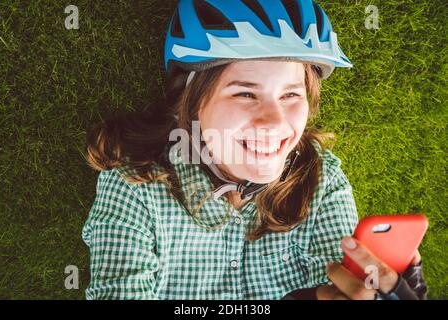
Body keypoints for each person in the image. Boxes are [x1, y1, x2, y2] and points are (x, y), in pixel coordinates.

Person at [82, 0, 427, 300]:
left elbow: (339, 285)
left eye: (291, 94)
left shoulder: (321, 177)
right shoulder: (134, 184)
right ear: (188, 101)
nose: (275, 123)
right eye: (245, 93)